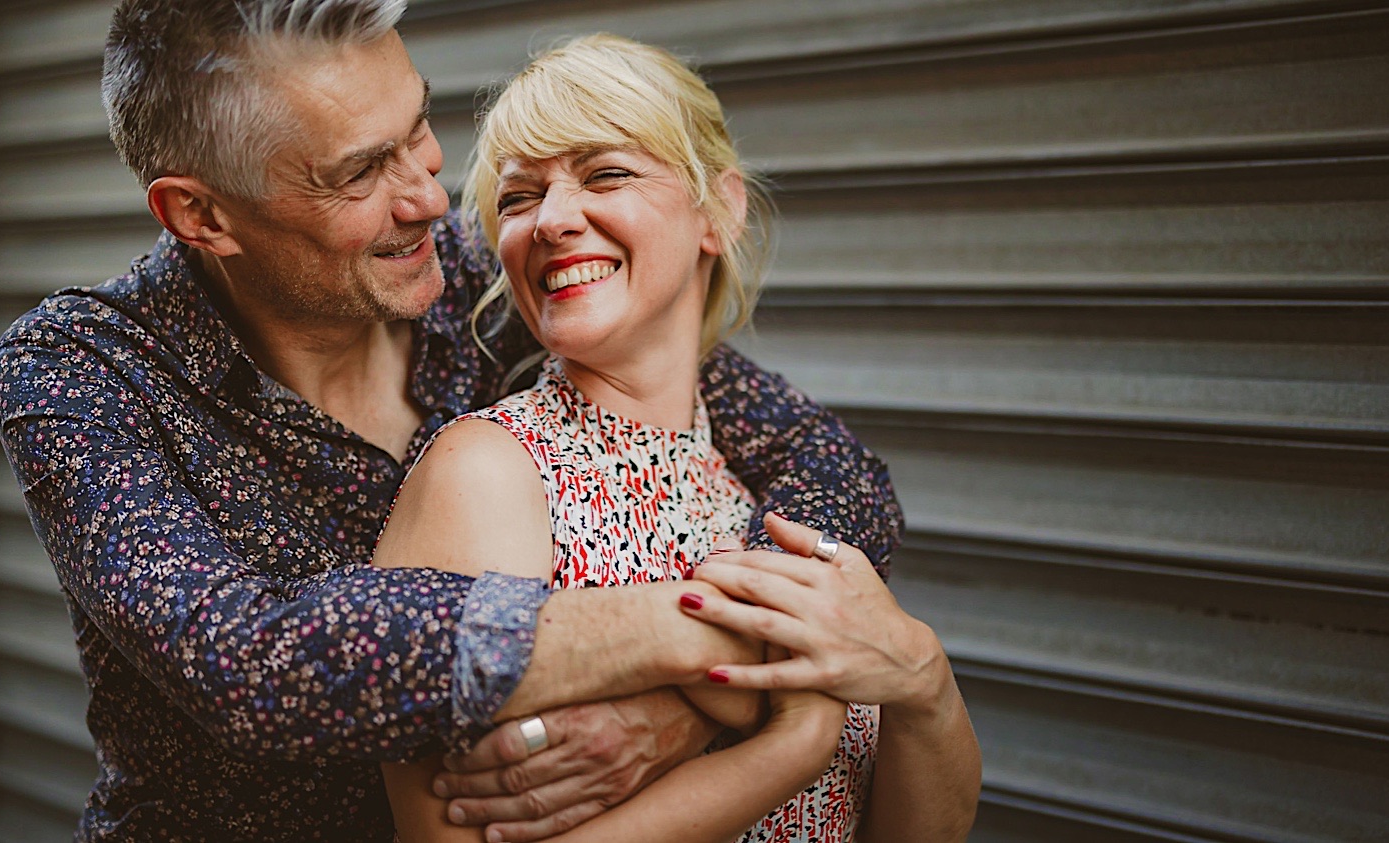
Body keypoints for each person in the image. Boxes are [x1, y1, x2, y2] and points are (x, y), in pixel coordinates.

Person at [0, 2, 940, 841]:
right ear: (200, 215)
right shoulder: (82, 367)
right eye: (362, 172)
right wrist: (712, 644)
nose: (434, 198)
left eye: (419, 127)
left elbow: (825, 461)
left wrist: (692, 713)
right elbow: (250, 664)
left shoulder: (482, 277)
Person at [373, 34, 978, 843]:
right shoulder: (486, 471)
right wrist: (793, 742)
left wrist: (926, 681)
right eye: (518, 198)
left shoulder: (778, 492)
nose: (552, 219)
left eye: (605, 174)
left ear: (718, 209)